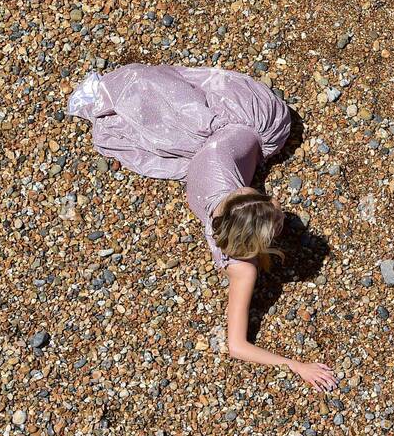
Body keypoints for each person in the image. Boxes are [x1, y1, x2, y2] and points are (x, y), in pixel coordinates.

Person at [67, 64, 338, 391]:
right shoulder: (243, 269)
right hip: (230, 139)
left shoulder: (233, 202)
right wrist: (295, 365)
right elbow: (237, 346)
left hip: (222, 145)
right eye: (276, 220)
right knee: (269, 126)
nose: (280, 207)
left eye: (269, 206)